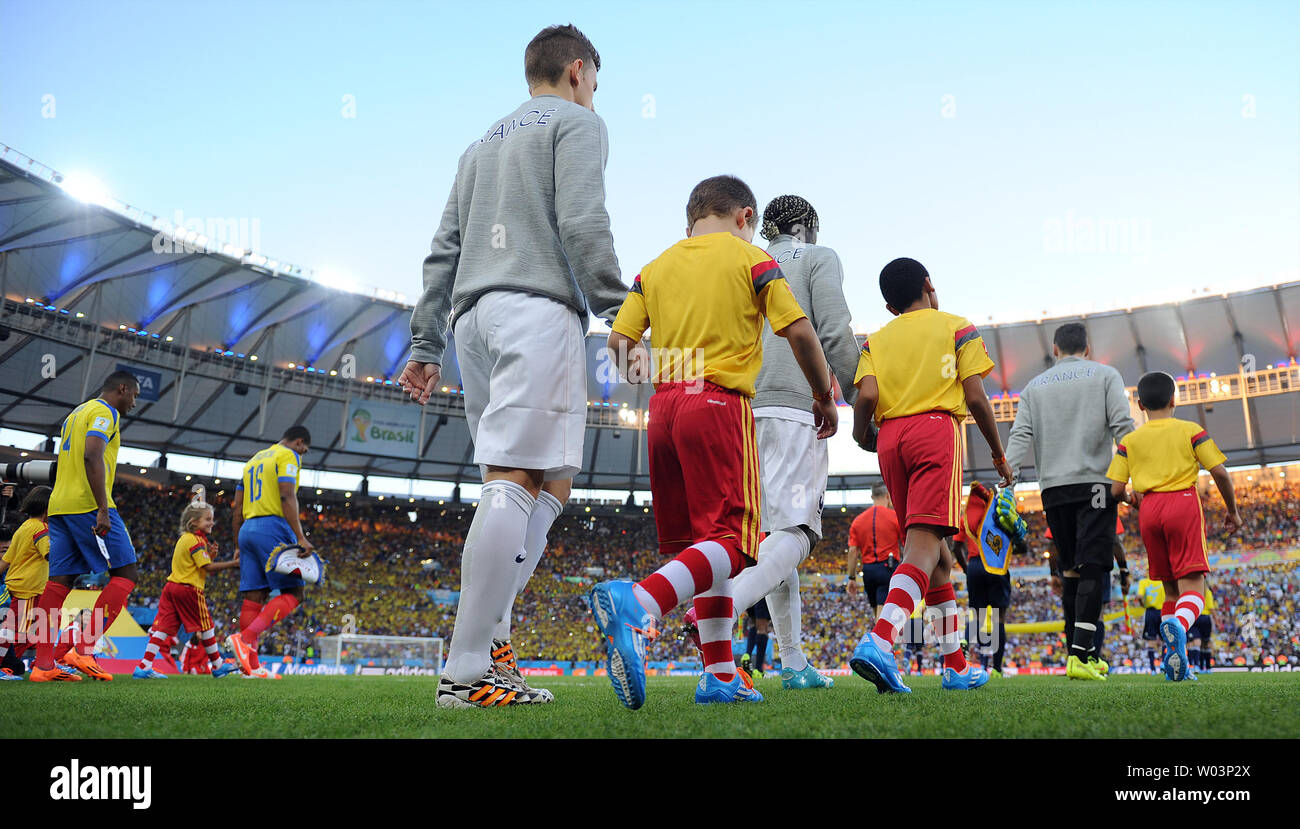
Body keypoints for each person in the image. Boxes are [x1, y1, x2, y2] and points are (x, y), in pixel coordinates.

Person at [398, 24, 626, 709]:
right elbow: (585, 223)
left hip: (474, 320)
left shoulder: (479, 145)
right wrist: (623, 308)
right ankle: (466, 668)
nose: (594, 94)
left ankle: (492, 638)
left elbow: (443, 250)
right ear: (579, 71)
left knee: (550, 478)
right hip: (536, 308)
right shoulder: (580, 125)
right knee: (517, 476)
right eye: (596, 83)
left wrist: (425, 343)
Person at [593, 174, 838, 708]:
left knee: (699, 548)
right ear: (745, 217)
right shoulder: (749, 259)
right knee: (733, 543)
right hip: (718, 404)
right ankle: (641, 601)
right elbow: (798, 331)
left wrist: (667, 375)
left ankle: (721, 672)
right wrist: (823, 395)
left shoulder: (655, 267)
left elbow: (618, 342)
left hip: (664, 408)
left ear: (691, 220)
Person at [849, 257, 1011, 693]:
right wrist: (998, 454)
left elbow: (866, 394)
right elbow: (976, 397)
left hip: (891, 440)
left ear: (888, 306)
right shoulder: (955, 326)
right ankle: (881, 640)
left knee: (938, 555)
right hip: (935, 432)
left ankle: (956, 665)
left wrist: (862, 435)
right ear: (929, 285)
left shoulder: (876, 340)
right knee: (922, 547)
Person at [719, 194, 859, 691]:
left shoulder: (744, 258)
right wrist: (858, 391)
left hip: (739, 410)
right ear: (806, 226)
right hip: (795, 406)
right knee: (798, 533)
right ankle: (722, 608)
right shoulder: (819, 258)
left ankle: (794, 661)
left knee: (772, 538)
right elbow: (835, 331)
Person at [1004, 322, 1134, 682]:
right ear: (1087, 349)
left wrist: (1008, 483)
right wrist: (1140, 475)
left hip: (1053, 489)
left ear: (1056, 350)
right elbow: (1123, 427)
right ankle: (1080, 656)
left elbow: (1020, 436)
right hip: (1095, 483)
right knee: (1093, 566)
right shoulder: (1105, 375)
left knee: (1071, 569)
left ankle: (1083, 656)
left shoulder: (1034, 387)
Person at [1107, 371, 1243, 681]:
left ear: (1140, 406)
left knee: (1170, 589)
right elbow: (1220, 473)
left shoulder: (1129, 441)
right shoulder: (1191, 430)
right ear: (1174, 400)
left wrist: (1132, 499)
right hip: (1182, 502)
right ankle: (1180, 626)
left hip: (1149, 511)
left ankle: (1174, 663)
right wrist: (1232, 512)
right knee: (1193, 586)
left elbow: (1114, 491)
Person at [31, 371, 141, 682]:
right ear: (122, 389)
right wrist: (103, 509)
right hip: (88, 505)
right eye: (133, 396)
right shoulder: (105, 413)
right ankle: (84, 647)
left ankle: (43, 665)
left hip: (59, 506)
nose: (133, 403)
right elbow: (92, 455)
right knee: (126, 573)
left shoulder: (76, 413)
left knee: (59, 583)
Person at [226, 425, 313, 679]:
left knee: (255, 596)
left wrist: (237, 545)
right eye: (304, 450)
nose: (303, 454)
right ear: (299, 442)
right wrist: (300, 536)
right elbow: (287, 496)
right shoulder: (288, 455)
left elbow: (237, 508)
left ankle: (250, 667)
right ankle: (245, 639)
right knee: (294, 592)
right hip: (272, 528)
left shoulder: (253, 460)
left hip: (247, 530)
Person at [134, 498, 240, 678]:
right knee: (207, 627)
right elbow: (206, 568)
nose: (212, 522)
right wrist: (234, 563)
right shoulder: (196, 540)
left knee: (162, 629)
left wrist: (210, 556)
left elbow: (196, 564)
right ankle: (217, 666)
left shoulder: (185, 539)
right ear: (194, 522)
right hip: (188, 589)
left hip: (171, 587)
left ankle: (143, 666)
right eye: (208, 519)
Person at [951, 482, 1012, 676]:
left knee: (976, 617)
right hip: (995, 565)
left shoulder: (966, 518)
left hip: (976, 565)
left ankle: (964, 661)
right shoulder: (1001, 516)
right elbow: (1018, 543)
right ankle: (997, 668)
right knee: (998, 619)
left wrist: (968, 569)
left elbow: (956, 547)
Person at [0, 486, 52, 679]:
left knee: (31, 631)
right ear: (47, 509)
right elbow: (49, 554)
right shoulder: (40, 529)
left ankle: (41, 665)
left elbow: (6, 560)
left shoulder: (23, 527)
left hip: (21, 586)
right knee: (14, 631)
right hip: (28, 589)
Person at [848, 483, 900, 613]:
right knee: (883, 614)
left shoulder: (858, 521)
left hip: (868, 570)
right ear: (888, 496)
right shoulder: (894, 517)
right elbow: (906, 543)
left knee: (876, 611)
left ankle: (878, 632)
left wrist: (852, 578)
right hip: (887, 567)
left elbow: (852, 551)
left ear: (872, 497)